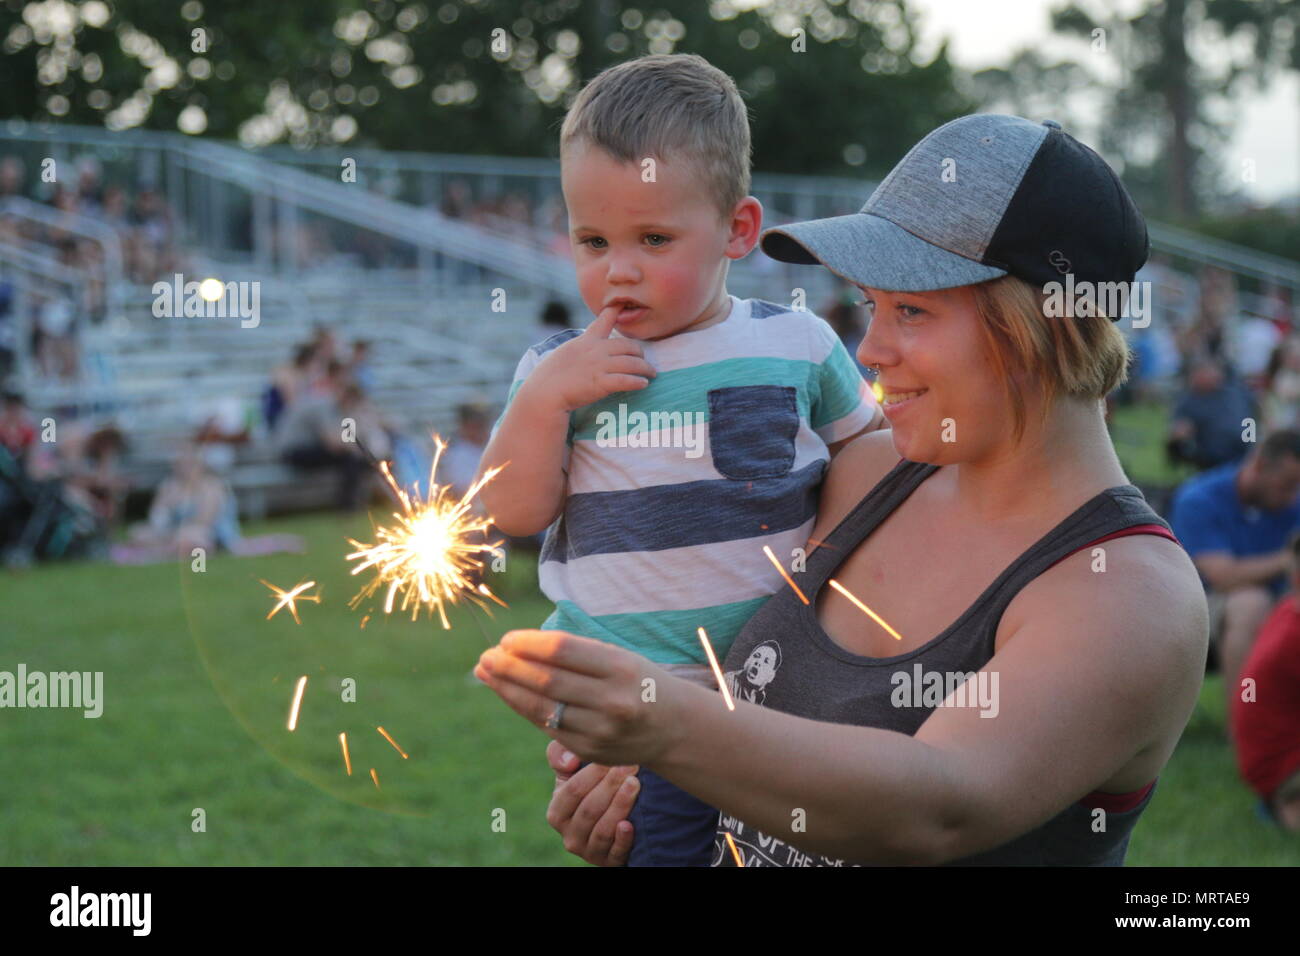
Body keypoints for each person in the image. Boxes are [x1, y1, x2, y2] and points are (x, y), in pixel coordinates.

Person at [476, 114, 1208, 867]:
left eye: (912, 311)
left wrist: (666, 724)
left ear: (1043, 327)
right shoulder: (862, 475)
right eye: (871, 306)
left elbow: (940, 807)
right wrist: (643, 792)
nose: (871, 349)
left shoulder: (1128, 594)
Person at [474, 53, 885, 867]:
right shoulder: (556, 369)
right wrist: (541, 403)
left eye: (653, 238)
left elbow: (873, 461)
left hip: (783, 693)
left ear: (737, 229)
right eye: (593, 240)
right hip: (631, 708)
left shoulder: (796, 342)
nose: (617, 268)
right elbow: (512, 513)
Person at [1169, 430, 1300, 731]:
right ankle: (1248, 728)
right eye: (1287, 485)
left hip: (1278, 604)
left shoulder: (1292, 502)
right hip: (1200, 612)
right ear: (1259, 466)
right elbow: (1224, 578)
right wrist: (1286, 559)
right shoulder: (1198, 498)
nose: (1292, 496)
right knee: (1250, 602)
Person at [1230, 531, 1300, 831]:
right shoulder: (1294, 635)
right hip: (1283, 767)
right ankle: (1287, 804)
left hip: (1268, 763)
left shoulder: (1288, 610)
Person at [1166, 355, 1258, 471]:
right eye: (1205, 372)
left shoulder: (1236, 392)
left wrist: (1252, 438)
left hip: (1246, 453)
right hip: (1214, 459)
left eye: (1213, 371)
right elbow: (1178, 432)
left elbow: (1252, 414)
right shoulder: (1189, 401)